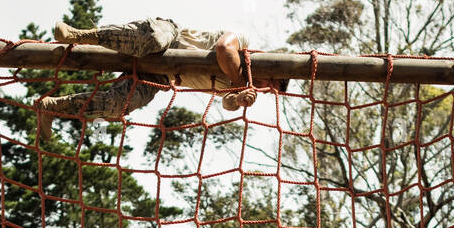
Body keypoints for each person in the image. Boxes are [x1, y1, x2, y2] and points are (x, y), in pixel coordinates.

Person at [37, 16, 287, 142]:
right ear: (266, 60)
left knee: (116, 107)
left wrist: (239, 100)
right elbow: (224, 49)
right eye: (269, 82)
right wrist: (240, 83)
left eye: (269, 90)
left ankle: (52, 107)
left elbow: (227, 103)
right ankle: (78, 35)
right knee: (151, 40)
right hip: (170, 38)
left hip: (159, 77)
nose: (264, 87)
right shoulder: (242, 44)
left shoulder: (235, 86)